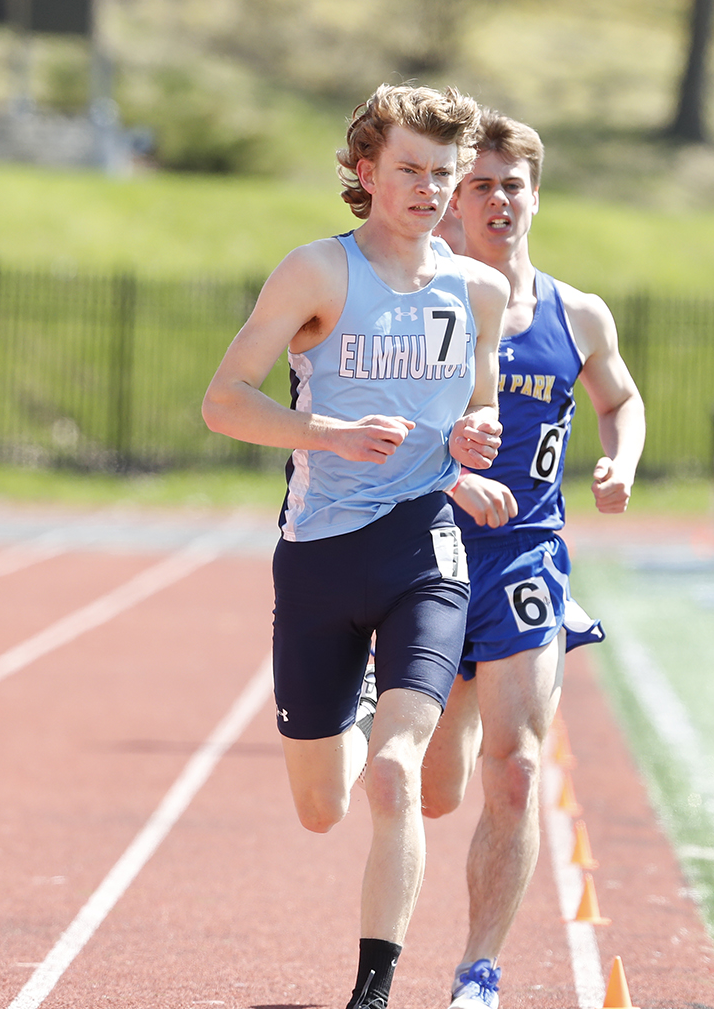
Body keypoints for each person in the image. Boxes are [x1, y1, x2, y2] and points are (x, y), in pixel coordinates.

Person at [201, 84, 509, 1009]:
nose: (428, 188)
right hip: (320, 554)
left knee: (394, 772)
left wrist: (473, 446)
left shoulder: (479, 290)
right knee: (320, 807)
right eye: (410, 169)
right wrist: (329, 434)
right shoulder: (317, 273)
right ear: (368, 172)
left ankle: (372, 993)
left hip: (423, 549)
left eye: (443, 174)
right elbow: (223, 403)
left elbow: (480, 415)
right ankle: (358, 696)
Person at [417, 110, 645, 1009]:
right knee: (435, 791)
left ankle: (479, 973)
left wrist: (621, 461)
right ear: (454, 202)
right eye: (479, 185)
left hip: (526, 557)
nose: (497, 200)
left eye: (512, 185)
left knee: (514, 771)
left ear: (536, 196)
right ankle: (459, 697)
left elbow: (620, 400)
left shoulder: (577, 313)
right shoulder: (423, 303)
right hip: (432, 552)